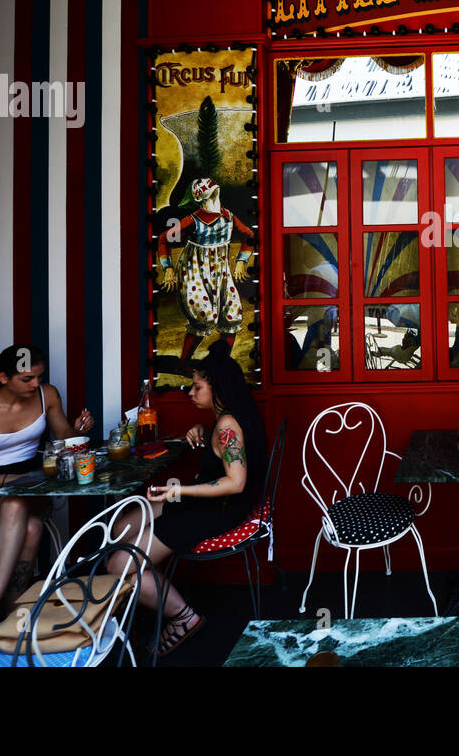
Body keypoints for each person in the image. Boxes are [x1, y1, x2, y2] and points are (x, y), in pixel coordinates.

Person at [107, 350, 266, 657]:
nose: (191, 393)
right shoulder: (229, 416)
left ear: (217, 388)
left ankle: (182, 617)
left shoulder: (228, 424)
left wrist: (180, 492)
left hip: (217, 511)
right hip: (209, 505)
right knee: (124, 524)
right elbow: (226, 453)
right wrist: (204, 434)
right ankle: (129, 599)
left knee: (119, 563)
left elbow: (236, 482)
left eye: (197, 387)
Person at [0, 344, 94, 632]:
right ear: (3, 378)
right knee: (31, 527)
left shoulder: (46, 395)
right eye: (27, 379)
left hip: (29, 491)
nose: (36, 384)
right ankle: (4, 613)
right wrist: (8, 481)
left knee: (17, 505)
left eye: (39, 376)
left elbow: (63, 434)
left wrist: (77, 431)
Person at [156, 177, 256, 361]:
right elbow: (164, 239)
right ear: (202, 197)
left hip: (221, 273)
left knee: (232, 315)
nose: (215, 196)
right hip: (194, 272)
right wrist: (168, 268)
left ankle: (221, 362)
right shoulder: (192, 220)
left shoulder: (229, 217)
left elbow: (249, 236)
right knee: (204, 317)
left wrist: (241, 261)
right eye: (211, 194)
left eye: (215, 192)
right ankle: (184, 363)